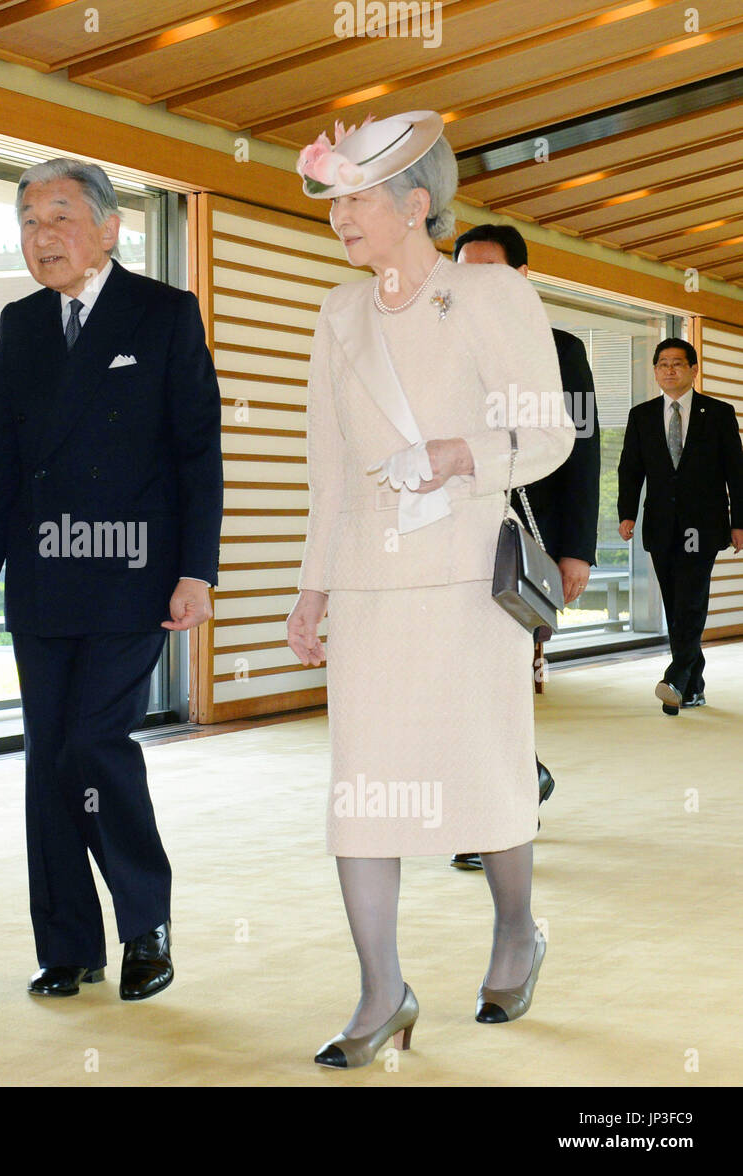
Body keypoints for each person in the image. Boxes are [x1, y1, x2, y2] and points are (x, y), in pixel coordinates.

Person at [287, 111, 574, 1067]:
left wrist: (467, 454)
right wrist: (311, 590)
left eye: (356, 197)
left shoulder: (489, 294)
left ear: (417, 206)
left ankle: (515, 932)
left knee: (485, 768)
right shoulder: (339, 314)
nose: (340, 216)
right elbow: (329, 468)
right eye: (334, 200)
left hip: (464, 576)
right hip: (372, 584)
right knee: (360, 792)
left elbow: (550, 434)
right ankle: (381, 990)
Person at [0, 158, 222, 1001]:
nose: (44, 237)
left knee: (93, 743)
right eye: (30, 221)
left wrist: (195, 570)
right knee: (48, 758)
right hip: (41, 574)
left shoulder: (165, 313)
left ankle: (145, 924)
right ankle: (68, 946)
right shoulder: (20, 322)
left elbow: (196, 453)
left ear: (110, 228)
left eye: (62, 218)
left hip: (131, 571)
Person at [450, 222, 601, 870]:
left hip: (524, 541)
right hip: (451, 538)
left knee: (503, 681)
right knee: (460, 682)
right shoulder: (436, 341)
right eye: (464, 272)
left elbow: (583, 454)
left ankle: (495, 816)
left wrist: (576, 550)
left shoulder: (561, 348)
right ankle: (517, 784)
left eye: (491, 272)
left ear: (523, 278)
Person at [617, 338, 743, 714]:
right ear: (655, 371)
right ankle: (693, 686)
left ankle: (675, 676)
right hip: (660, 524)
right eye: (662, 364)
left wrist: (740, 522)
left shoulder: (718, 413)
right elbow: (630, 468)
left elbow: (736, 472)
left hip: (701, 525)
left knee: (690, 597)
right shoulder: (641, 415)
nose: (669, 370)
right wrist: (627, 513)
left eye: (677, 363)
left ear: (693, 370)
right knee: (676, 604)